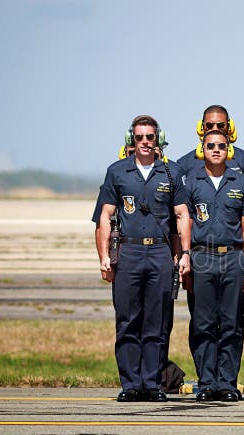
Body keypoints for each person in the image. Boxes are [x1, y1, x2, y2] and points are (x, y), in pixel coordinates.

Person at [97, 115, 191, 402]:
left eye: (150, 137)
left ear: (158, 139)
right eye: (140, 137)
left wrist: (185, 254)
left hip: (160, 252)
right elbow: (104, 216)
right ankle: (130, 384)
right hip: (129, 253)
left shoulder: (171, 172)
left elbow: (182, 215)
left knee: (157, 322)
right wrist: (104, 257)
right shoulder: (117, 172)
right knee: (128, 320)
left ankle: (152, 384)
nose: (145, 142)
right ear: (132, 140)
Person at [185, 130, 244, 403]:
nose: (216, 150)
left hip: (233, 259)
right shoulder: (191, 183)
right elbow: (185, 224)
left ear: (229, 149)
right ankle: (206, 383)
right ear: (202, 149)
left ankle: (227, 383)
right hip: (202, 257)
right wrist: (185, 258)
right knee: (203, 323)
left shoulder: (242, 183)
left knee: (231, 323)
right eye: (211, 145)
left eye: (222, 146)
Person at [178, 105, 244, 178]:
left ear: (229, 127)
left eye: (221, 125)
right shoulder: (184, 164)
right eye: (209, 125)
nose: (215, 129)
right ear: (201, 127)